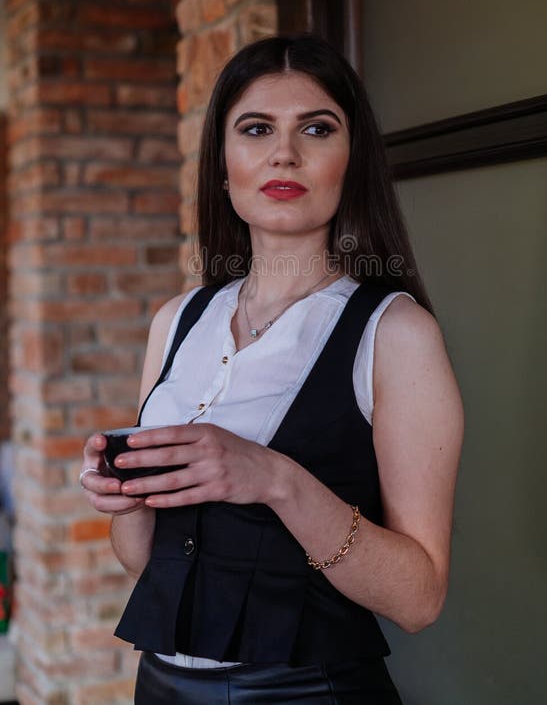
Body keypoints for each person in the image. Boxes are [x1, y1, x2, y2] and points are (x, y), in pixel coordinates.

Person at [79, 34, 464, 704]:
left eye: (316, 128)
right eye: (256, 129)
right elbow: (147, 562)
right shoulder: (176, 321)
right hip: (161, 686)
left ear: (350, 163)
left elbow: (419, 599)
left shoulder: (394, 332)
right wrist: (129, 500)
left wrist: (275, 480)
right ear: (223, 167)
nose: (284, 152)